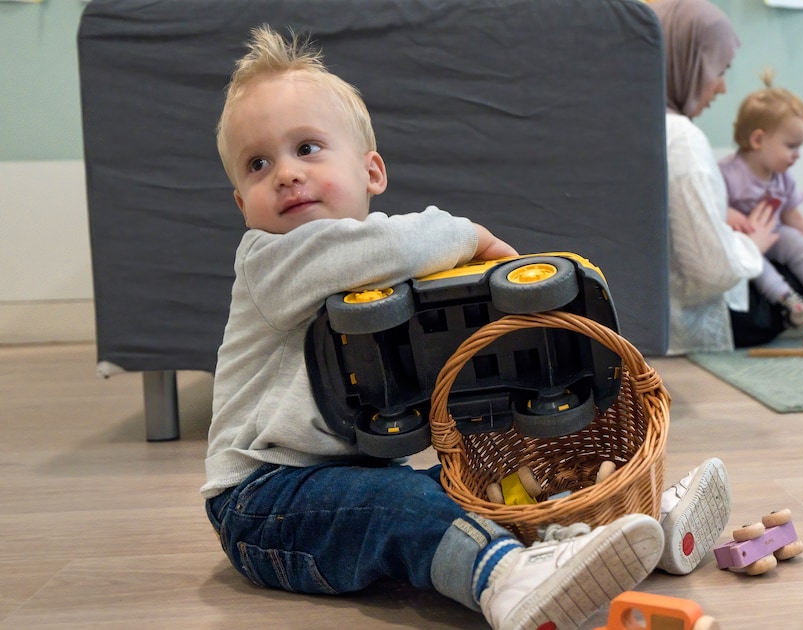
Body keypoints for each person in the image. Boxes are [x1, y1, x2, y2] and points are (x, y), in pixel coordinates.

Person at [202, 26, 714, 630]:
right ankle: (505, 579)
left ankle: (617, 526)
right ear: (241, 202)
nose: (285, 173)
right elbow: (377, 244)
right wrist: (467, 235)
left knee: (466, 485)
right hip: (263, 502)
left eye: (307, 148)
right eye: (258, 164)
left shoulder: (382, 264)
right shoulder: (268, 260)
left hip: (347, 478)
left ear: (371, 171)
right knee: (399, 505)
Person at [651, 0, 779, 356]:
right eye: (718, 70)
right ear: (686, 62)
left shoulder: (624, 122)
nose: (721, 87)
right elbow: (711, 271)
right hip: (682, 340)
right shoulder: (680, 137)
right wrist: (754, 246)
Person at [720, 69, 803, 332]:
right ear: (758, 139)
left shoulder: (782, 177)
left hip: (773, 235)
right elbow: (709, 207)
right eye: (791, 146)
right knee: (756, 260)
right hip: (743, 244)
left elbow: (792, 215)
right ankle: (789, 302)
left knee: (797, 240)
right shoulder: (728, 172)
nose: (797, 155)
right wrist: (727, 213)